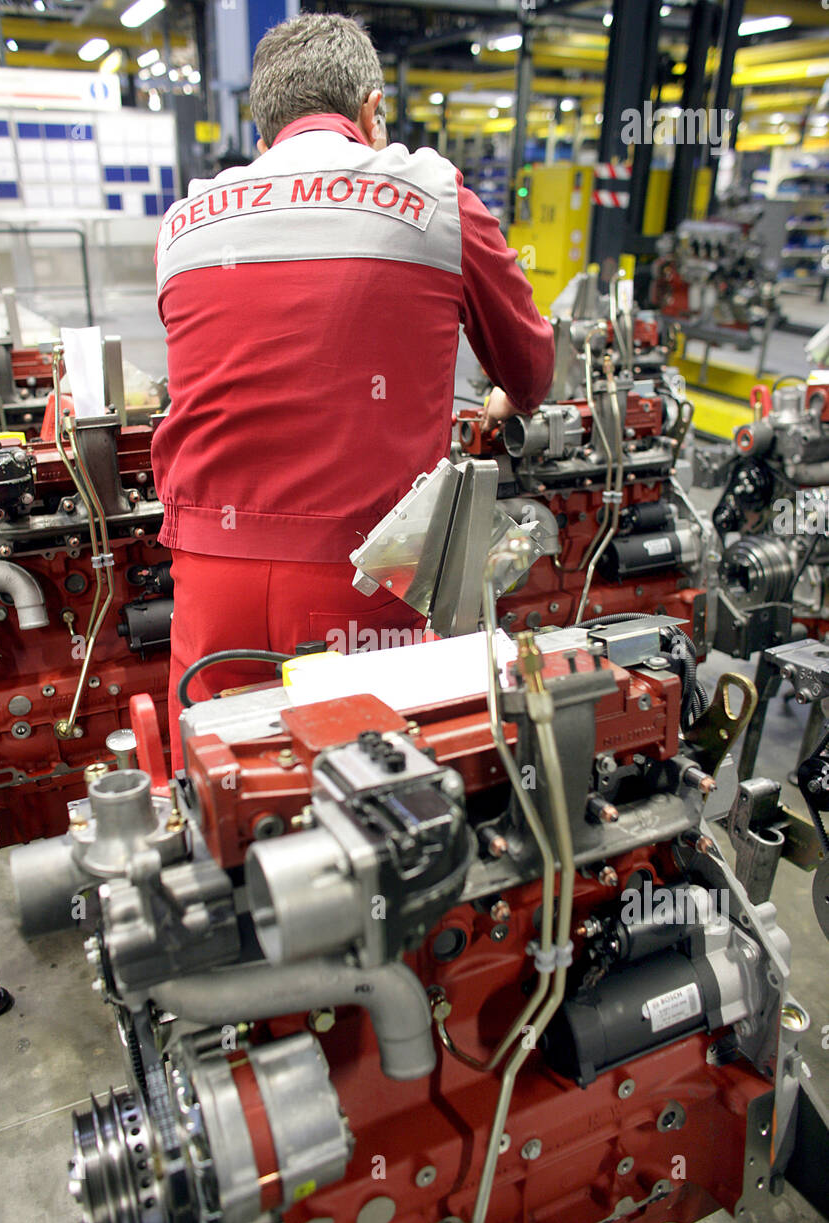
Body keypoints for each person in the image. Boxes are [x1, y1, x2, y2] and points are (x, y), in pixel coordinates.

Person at [152, 12, 554, 770]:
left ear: (263, 123)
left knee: (216, 795)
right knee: (377, 797)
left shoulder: (183, 223)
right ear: (372, 112)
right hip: (361, 573)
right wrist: (505, 401)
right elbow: (529, 370)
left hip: (207, 571)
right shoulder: (434, 195)